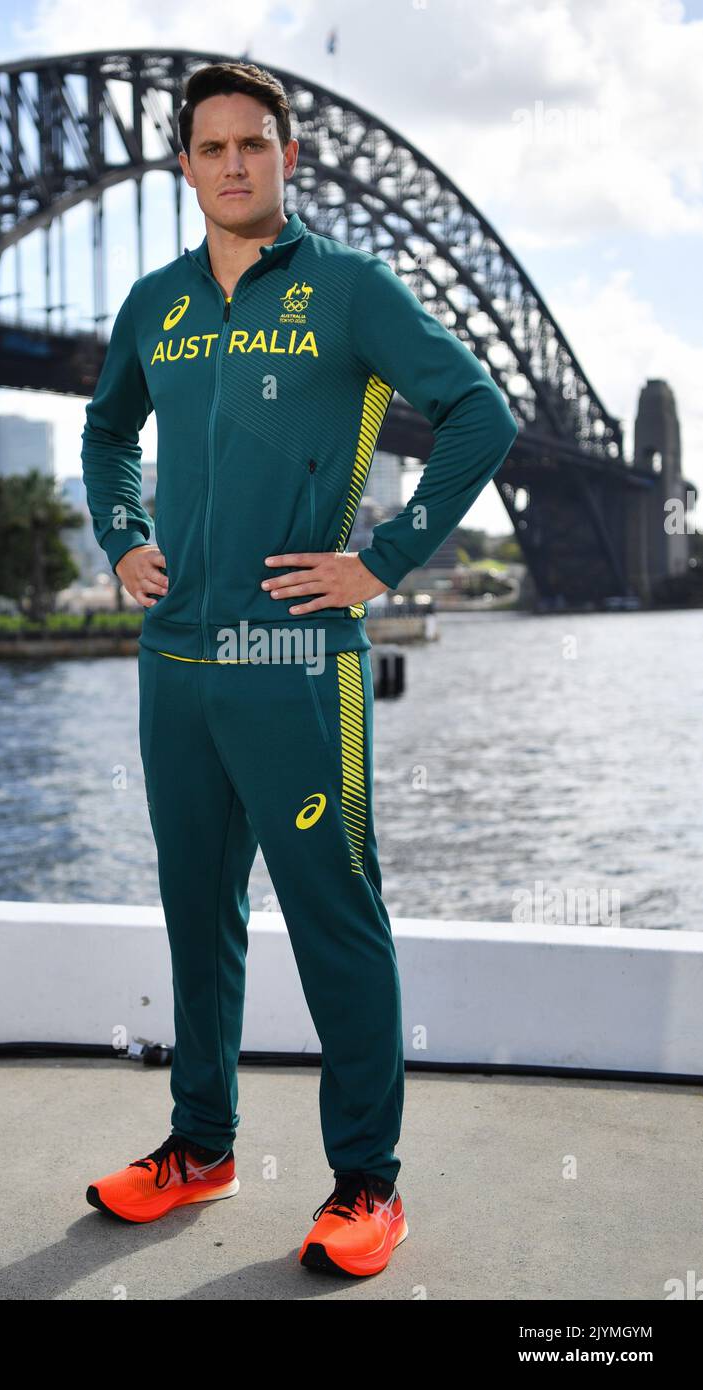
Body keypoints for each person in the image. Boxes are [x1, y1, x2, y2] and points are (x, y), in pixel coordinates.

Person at [81, 61, 518, 1278]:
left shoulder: (348, 289)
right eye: (210, 146)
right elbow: (109, 428)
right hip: (174, 660)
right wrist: (123, 537)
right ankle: (199, 1147)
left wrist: (385, 558)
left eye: (254, 145)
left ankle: (367, 1185)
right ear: (183, 165)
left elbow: (479, 409)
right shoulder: (155, 303)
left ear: (286, 158)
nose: (232, 164)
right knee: (194, 915)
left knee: (334, 915)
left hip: (294, 660)